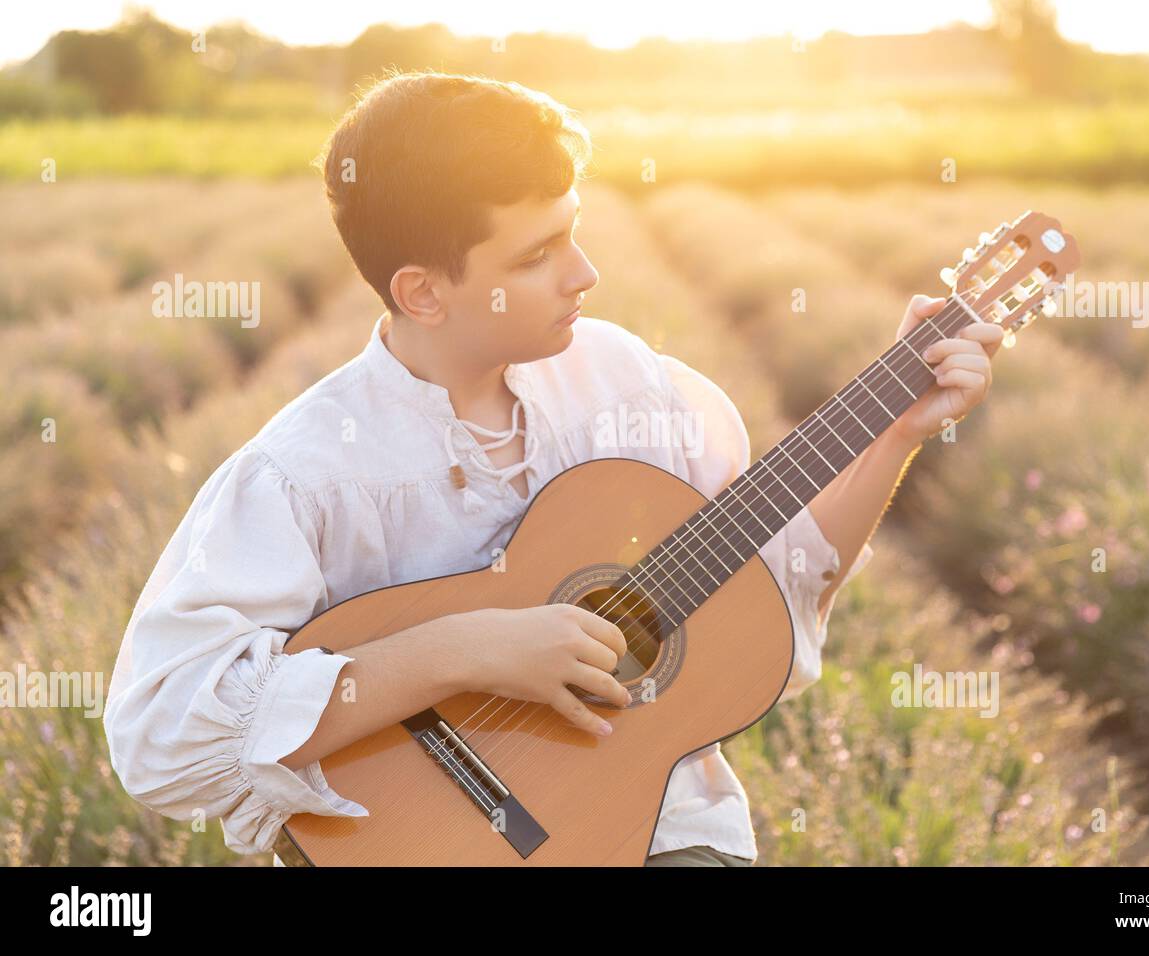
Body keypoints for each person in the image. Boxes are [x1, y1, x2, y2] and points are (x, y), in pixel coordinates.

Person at [102, 71, 1001, 867]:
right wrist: (466, 651)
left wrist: (895, 437)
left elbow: (778, 577)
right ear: (423, 291)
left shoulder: (625, 383)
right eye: (536, 256)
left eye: (572, 233)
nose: (586, 273)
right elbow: (161, 735)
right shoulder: (306, 473)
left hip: (661, 831)